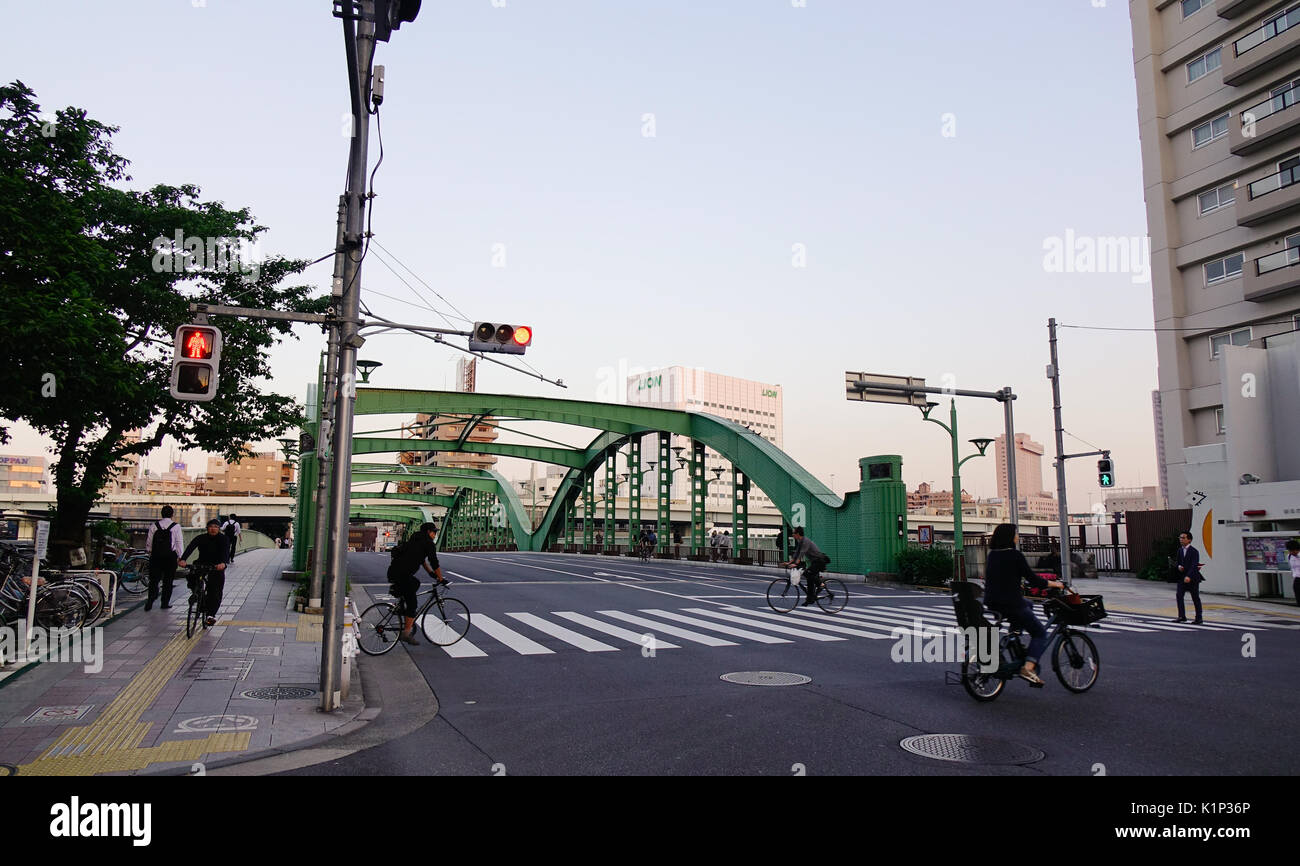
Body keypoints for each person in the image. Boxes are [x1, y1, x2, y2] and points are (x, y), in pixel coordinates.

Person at [982, 523, 1063, 686]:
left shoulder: (992, 555)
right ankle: (1028, 667)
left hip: (993, 602)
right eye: (1016, 534)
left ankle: (1015, 637)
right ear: (1010, 537)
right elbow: (1034, 580)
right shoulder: (1015, 555)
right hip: (1011, 603)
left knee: (1029, 605)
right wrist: (1056, 584)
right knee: (1040, 633)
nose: (1017, 536)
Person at [387, 522, 448, 645]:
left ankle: (402, 607)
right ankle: (406, 634)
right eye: (434, 532)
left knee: (415, 583)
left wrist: (431, 573)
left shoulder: (415, 539)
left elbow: (421, 560)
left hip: (394, 572)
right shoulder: (428, 543)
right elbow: (434, 562)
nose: (435, 535)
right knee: (413, 604)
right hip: (403, 575)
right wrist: (440, 578)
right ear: (428, 532)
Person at [178, 519, 229, 627]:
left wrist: (223, 563)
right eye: (210, 526)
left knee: (215, 589)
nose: (213, 528)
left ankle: (210, 615)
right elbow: (190, 547)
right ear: (207, 528)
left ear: (219, 528)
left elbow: (225, 552)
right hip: (202, 563)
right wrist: (183, 559)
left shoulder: (223, 539)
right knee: (191, 576)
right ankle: (196, 593)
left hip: (216, 566)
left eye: (215, 526)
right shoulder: (201, 538)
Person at [143, 505, 183, 611]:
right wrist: (180, 556)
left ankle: (150, 599)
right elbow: (179, 542)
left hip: (156, 556)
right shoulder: (176, 526)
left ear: (161, 513)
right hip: (170, 556)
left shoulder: (154, 525)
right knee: (168, 580)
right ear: (172, 514)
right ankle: (164, 603)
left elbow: (149, 541)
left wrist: (150, 551)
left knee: (154, 579)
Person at [781, 527, 831, 607]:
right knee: (809, 578)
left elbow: (801, 553)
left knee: (808, 574)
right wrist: (789, 562)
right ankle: (810, 599)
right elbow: (797, 553)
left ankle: (821, 585)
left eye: (794, 533)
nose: (793, 535)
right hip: (814, 561)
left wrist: (796, 563)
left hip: (819, 561)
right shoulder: (800, 541)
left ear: (798, 534)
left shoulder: (805, 541)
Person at [1173, 531, 1204, 624]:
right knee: (1179, 595)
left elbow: (1194, 565)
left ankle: (1199, 618)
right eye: (1180, 538)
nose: (1181, 539)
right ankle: (1181, 616)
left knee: (1195, 597)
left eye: (1183, 538)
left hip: (1193, 578)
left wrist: (1189, 576)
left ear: (1189, 540)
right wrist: (1179, 567)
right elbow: (1178, 562)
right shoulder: (1180, 550)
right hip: (1182, 577)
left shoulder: (1194, 551)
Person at [1288, 540, 1300, 607]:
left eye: (1293, 550)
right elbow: (1292, 567)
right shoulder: (1289, 556)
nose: (1292, 552)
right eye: (1290, 551)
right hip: (1297, 580)